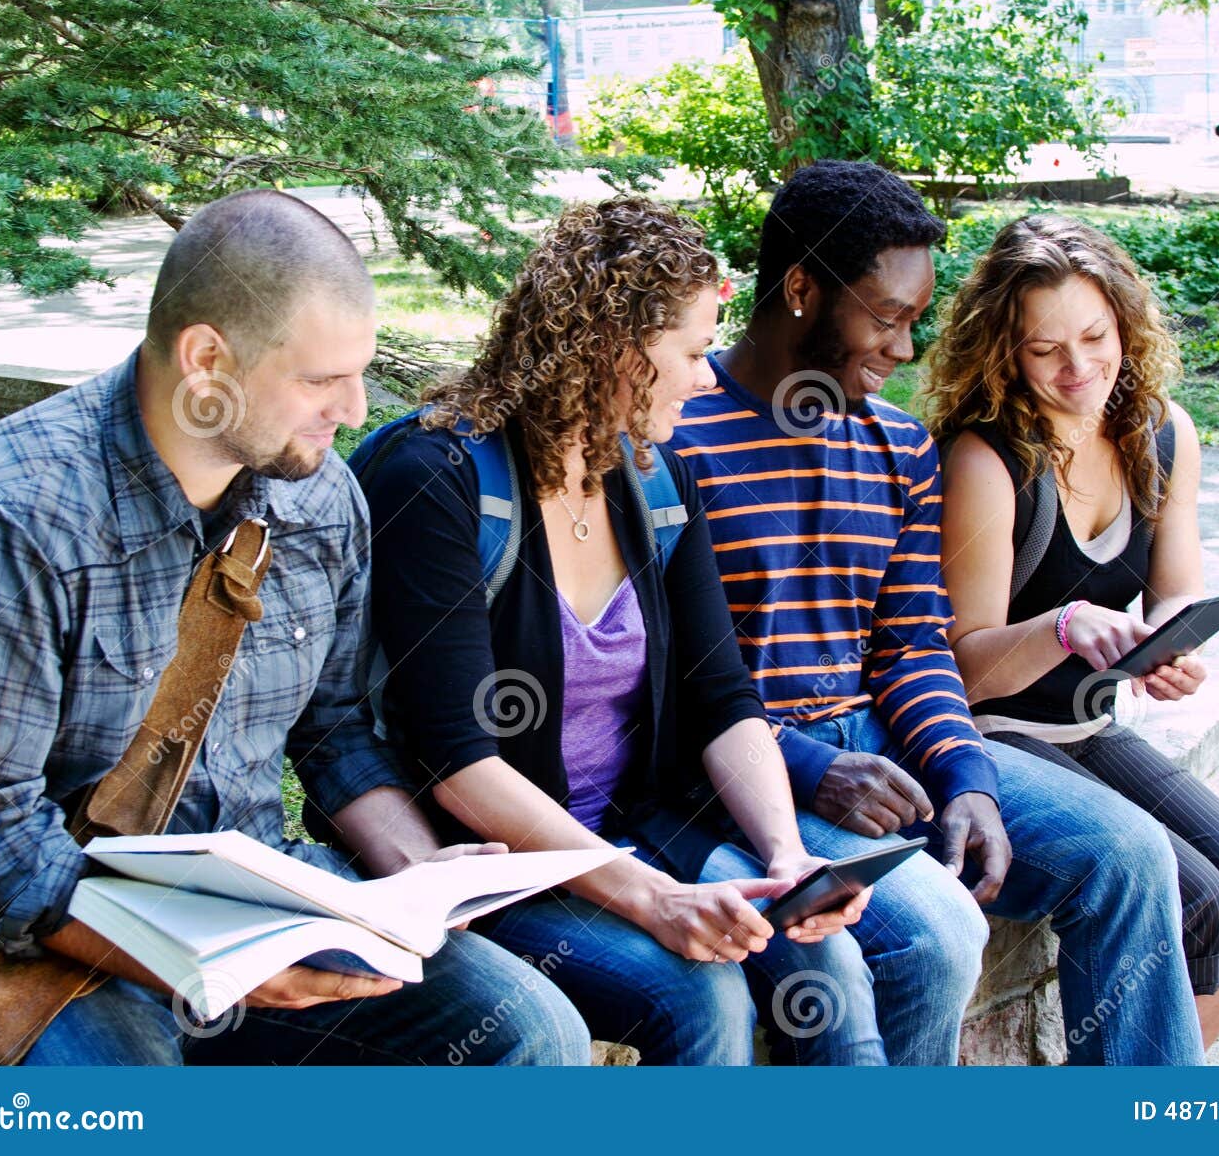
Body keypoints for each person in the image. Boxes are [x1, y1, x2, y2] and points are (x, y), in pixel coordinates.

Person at [0, 189, 590, 1066]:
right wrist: (209, 965)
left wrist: (408, 880)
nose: (358, 409)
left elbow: (334, 731)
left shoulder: (321, 499)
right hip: (48, 929)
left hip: (257, 903)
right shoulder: (3, 515)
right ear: (207, 359)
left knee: (530, 1030)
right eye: (324, 380)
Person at [358, 197, 987, 1066]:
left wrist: (786, 854)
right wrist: (652, 899)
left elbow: (723, 697)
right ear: (616, 347)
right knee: (702, 997)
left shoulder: (654, 477)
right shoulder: (443, 479)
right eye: (691, 351)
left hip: (647, 824)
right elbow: (461, 763)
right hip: (505, 860)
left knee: (824, 952)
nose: (705, 376)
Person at [669, 161, 1205, 1064]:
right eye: (886, 319)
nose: (906, 351)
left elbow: (915, 646)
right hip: (746, 773)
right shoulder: (677, 433)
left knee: (1128, 852)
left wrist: (967, 779)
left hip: (886, 746)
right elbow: (663, 683)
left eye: (915, 323)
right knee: (930, 934)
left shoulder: (897, 446)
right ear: (801, 289)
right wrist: (810, 768)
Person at [927, 212, 1219, 1048]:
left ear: (1125, 323)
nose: (1078, 368)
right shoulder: (987, 461)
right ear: (1004, 352)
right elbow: (960, 668)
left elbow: (1174, 594)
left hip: (1089, 728)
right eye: (1043, 349)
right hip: (997, 737)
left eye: (1095, 337)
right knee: (1195, 893)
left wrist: (1169, 647)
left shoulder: (1163, 432)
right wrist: (1058, 627)